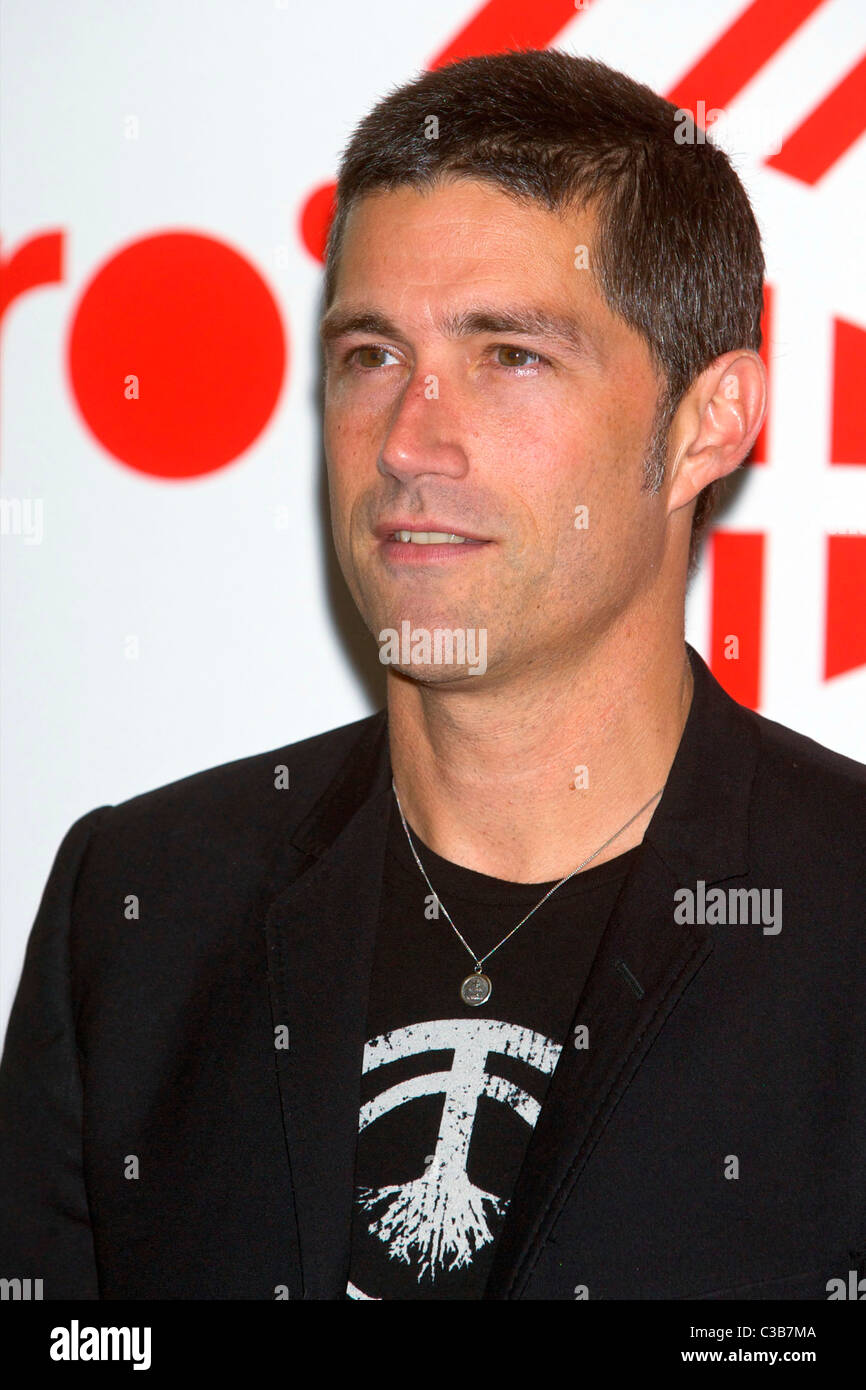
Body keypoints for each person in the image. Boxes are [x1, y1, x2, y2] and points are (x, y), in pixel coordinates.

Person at [1, 50, 864, 1302]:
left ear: (704, 424)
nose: (407, 439)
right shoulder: (140, 913)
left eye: (508, 354)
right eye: (369, 355)